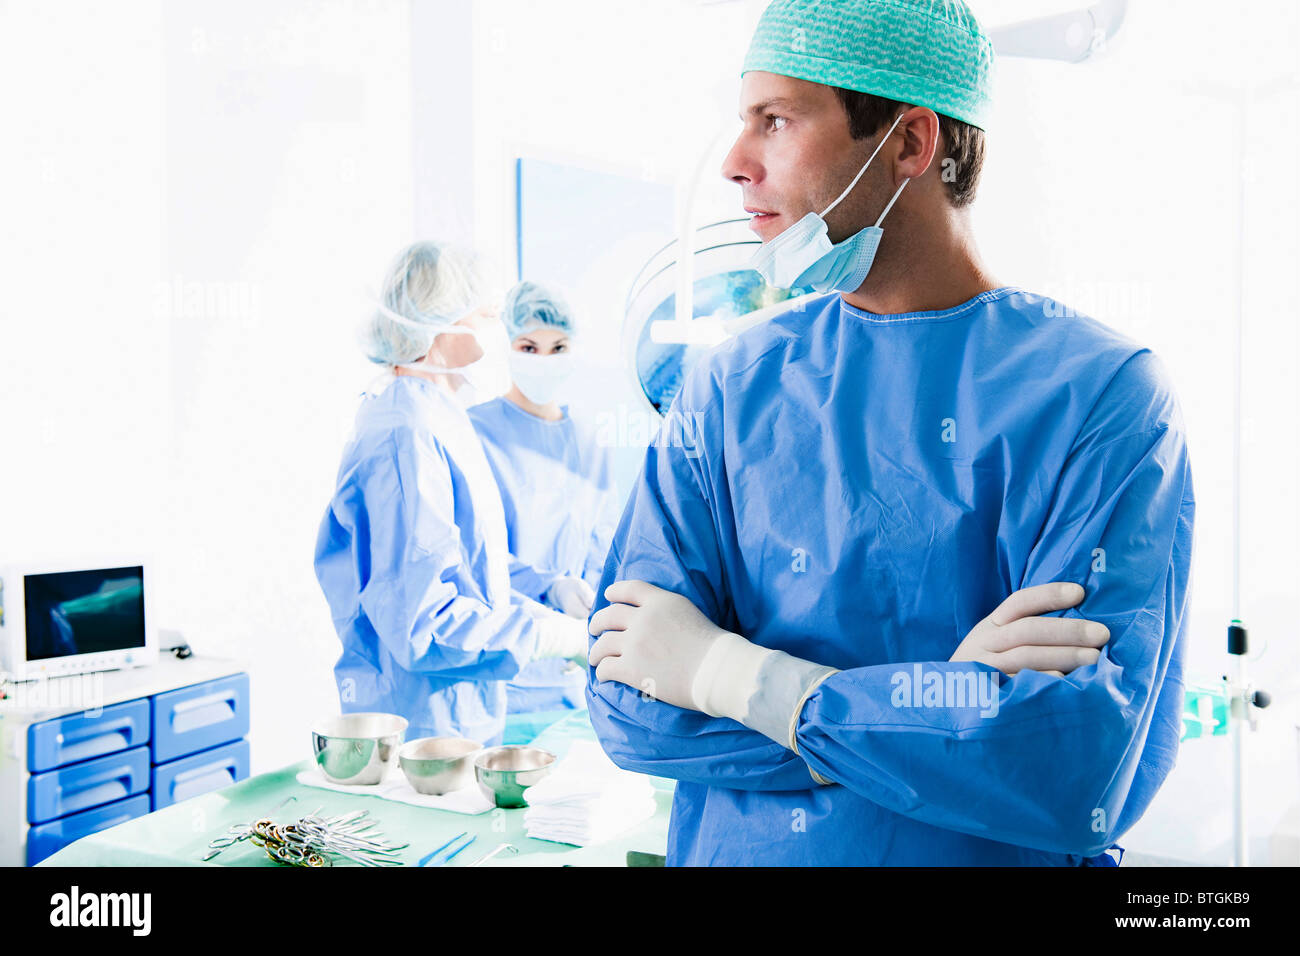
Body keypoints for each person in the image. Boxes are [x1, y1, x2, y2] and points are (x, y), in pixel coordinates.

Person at [586, 0, 1193, 866]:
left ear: (911, 143)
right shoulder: (726, 389)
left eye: (777, 120)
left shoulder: (1102, 394)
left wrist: (727, 676)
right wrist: (944, 710)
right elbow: (629, 702)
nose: (734, 162)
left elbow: (1076, 769)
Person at [314, 242, 588, 746]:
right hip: (417, 727)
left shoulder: (439, 416)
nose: (494, 323)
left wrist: (550, 591)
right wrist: (550, 636)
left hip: (460, 716)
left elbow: (464, 563)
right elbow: (421, 622)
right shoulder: (406, 434)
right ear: (439, 323)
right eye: (483, 311)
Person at [468, 281, 619, 713]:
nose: (544, 360)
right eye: (529, 347)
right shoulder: (475, 433)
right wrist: (548, 587)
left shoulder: (590, 443)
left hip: (574, 673)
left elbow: (602, 546)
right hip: (503, 665)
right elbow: (471, 557)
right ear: (509, 347)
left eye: (558, 347)